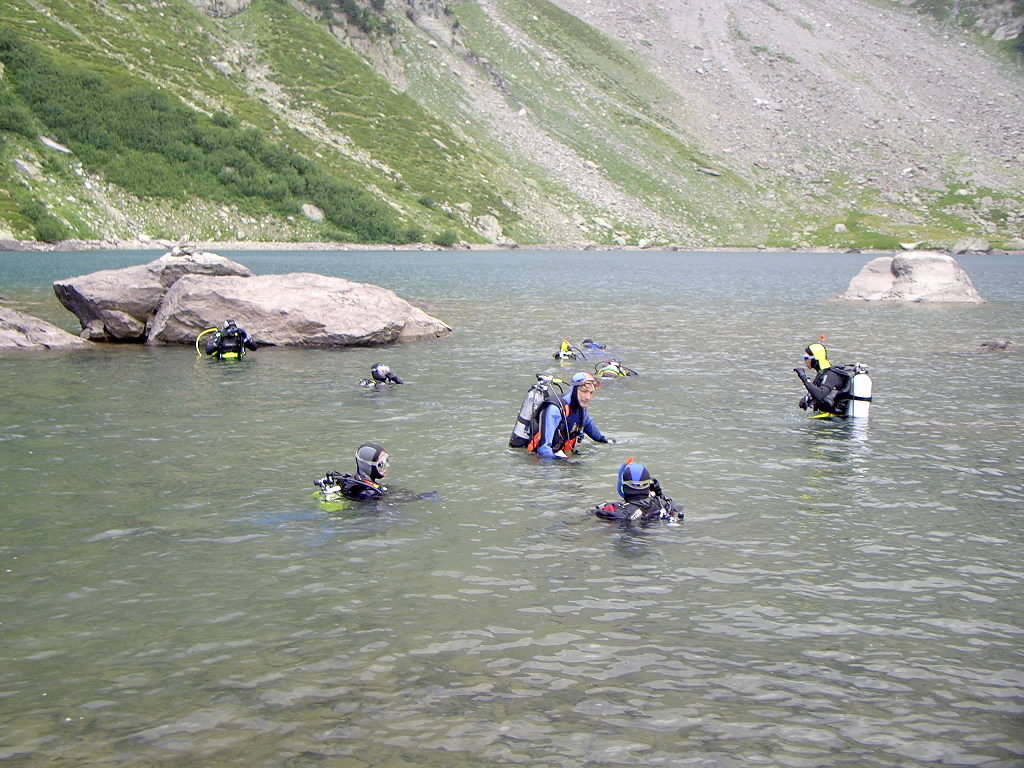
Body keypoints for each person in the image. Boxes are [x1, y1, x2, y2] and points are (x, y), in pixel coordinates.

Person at [528, 371, 612, 459]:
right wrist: (564, 463)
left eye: (591, 393)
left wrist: (608, 442)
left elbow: (595, 434)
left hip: (562, 455)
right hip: (540, 460)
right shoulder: (555, 410)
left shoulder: (582, 409)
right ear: (574, 390)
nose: (588, 397)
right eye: (584, 391)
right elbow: (543, 448)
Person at [592, 458, 683, 524]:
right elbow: (677, 509)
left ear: (623, 487)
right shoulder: (664, 504)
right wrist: (659, 494)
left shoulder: (613, 509)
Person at [314, 443, 391, 502]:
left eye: (387, 460)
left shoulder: (356, 479)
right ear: (368, 466)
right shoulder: (367, 493)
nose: (386, 466)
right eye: (382, 464)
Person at [794, 340, 853, 418]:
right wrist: (807, 399)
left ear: (815, 359)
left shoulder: (830, 375)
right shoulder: (822, 374)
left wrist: (803, 377)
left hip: (834, 421)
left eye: (806, 358)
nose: (805, 361)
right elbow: (816, 392)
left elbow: (820, 395)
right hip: (825, 417)